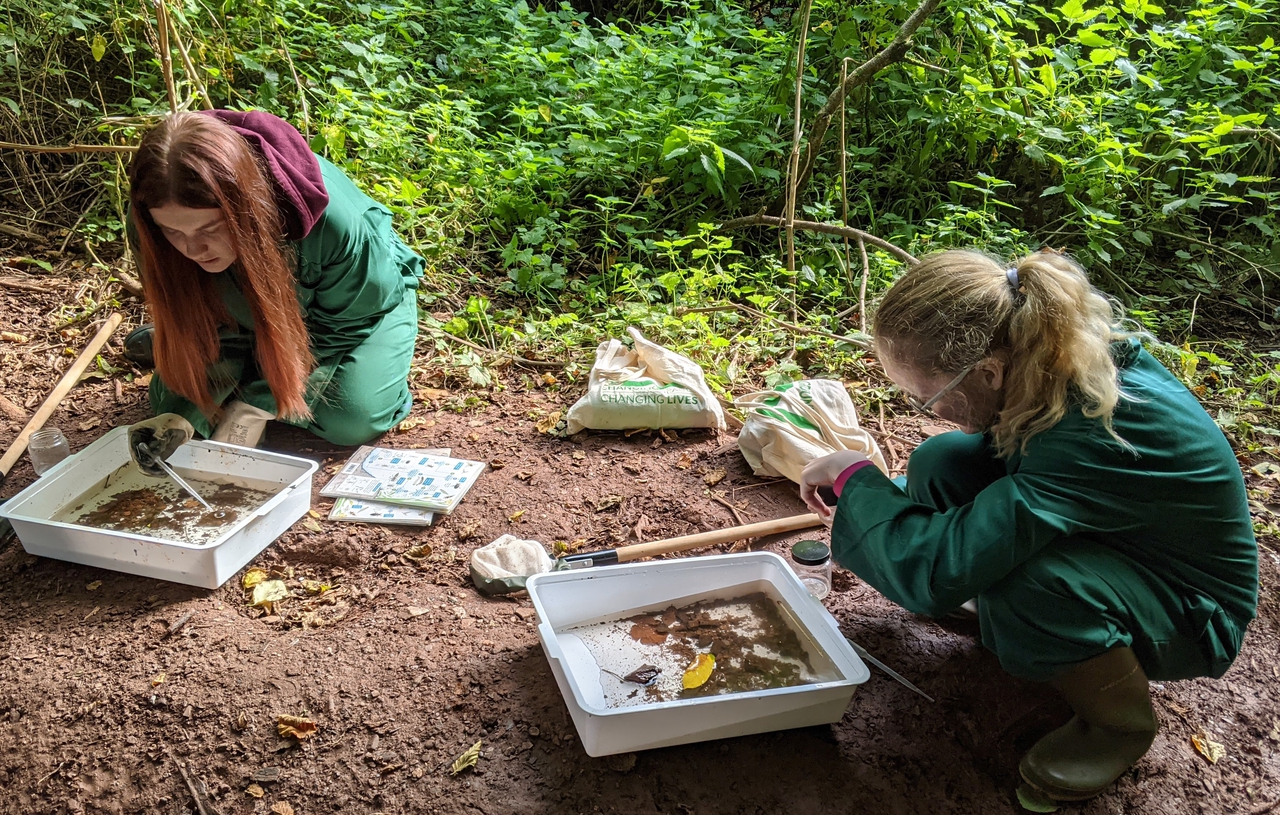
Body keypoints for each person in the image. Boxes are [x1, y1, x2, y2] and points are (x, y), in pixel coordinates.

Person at [798, 249, 1257, 802]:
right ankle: (1031, 631)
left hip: (1191, 607)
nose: (925, 409)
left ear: (988, 370)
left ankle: (1117, 726)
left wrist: (856, 480)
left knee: (1031, 582)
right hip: (1117, 542)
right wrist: (878, 499)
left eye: (927, 397)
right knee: (942, 459)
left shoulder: (1092, 431)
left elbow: (932, 569)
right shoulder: (1050, 364)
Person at [123, 109, 425, 451]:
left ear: (248, 208)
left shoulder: (328, 220)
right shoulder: (149, 221)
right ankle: (244, 357)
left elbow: (348, 321)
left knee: (352, 417)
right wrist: (181, 415)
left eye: (210, 229)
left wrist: (259, 402)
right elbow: (189, 307)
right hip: (239, 313)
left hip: (352, 309)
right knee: (173, 407)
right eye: (173, 232)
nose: (193, 248)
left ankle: (248, 368)